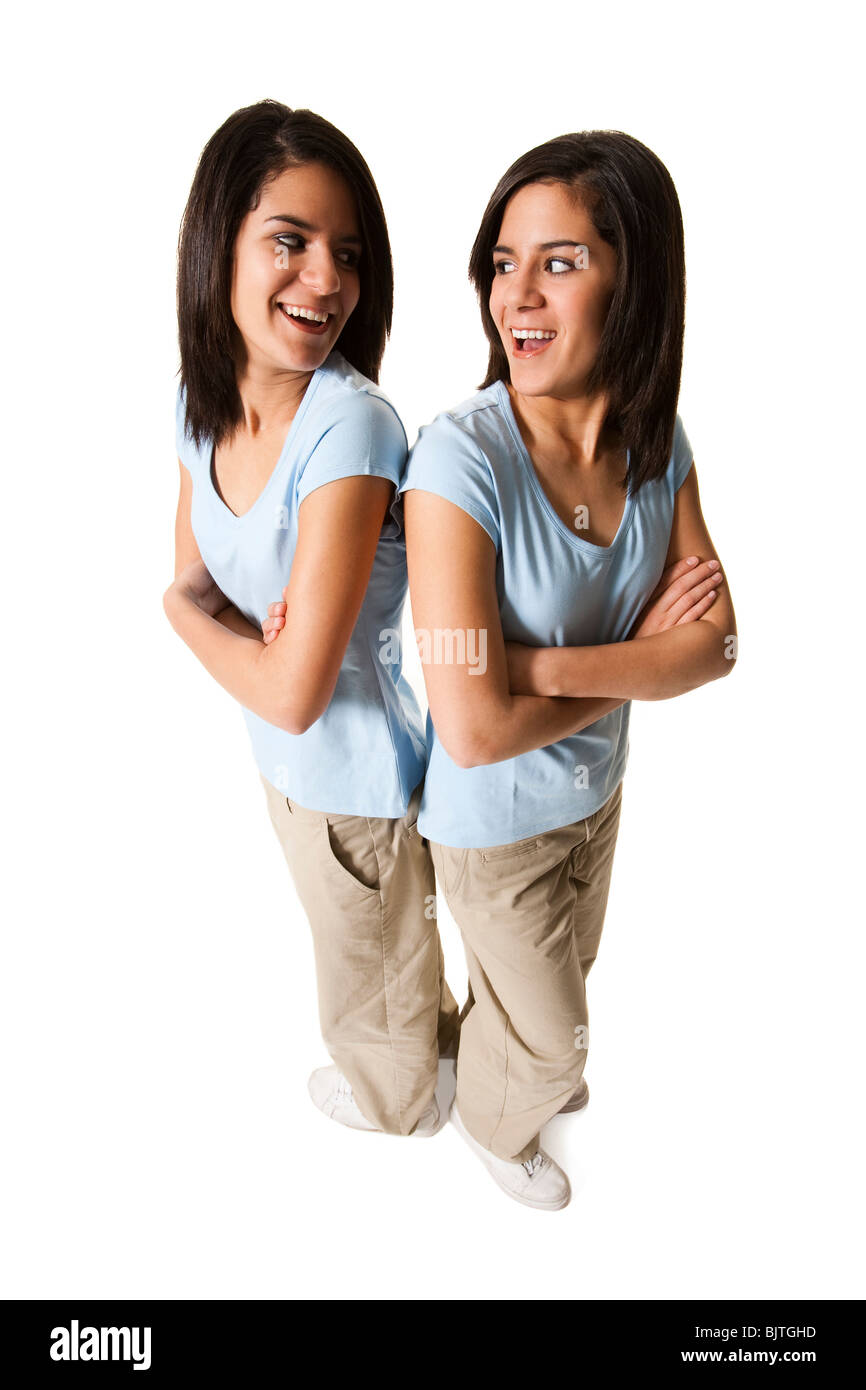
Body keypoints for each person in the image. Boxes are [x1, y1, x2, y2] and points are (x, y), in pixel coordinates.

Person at [399, 131, 737, 1210]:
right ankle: (497, 1116)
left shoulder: (656, 442)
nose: (517, 297)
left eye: (560, 260)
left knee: (558, 980)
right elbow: (471, 728)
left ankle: (497, 1045)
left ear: (635, 277)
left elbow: (718, 644)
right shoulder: (459, 459)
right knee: (559, 1042)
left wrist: (536, 664)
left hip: (594, 797)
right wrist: (645, 662)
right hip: (491, 825)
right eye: (503, 262)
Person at [163, 100, 460, 1144]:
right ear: (220, 245)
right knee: (378, 952)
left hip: (352, 780)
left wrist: (193, 622)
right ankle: (445, 1053)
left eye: (347, 252)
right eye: (288, 242)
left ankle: (403, 1107)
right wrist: (249, 636)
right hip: (288, 767)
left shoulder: (351, 427)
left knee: (360, 971)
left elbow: (285, 684)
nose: (327, 281)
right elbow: (209, 581)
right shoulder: (200, 400)